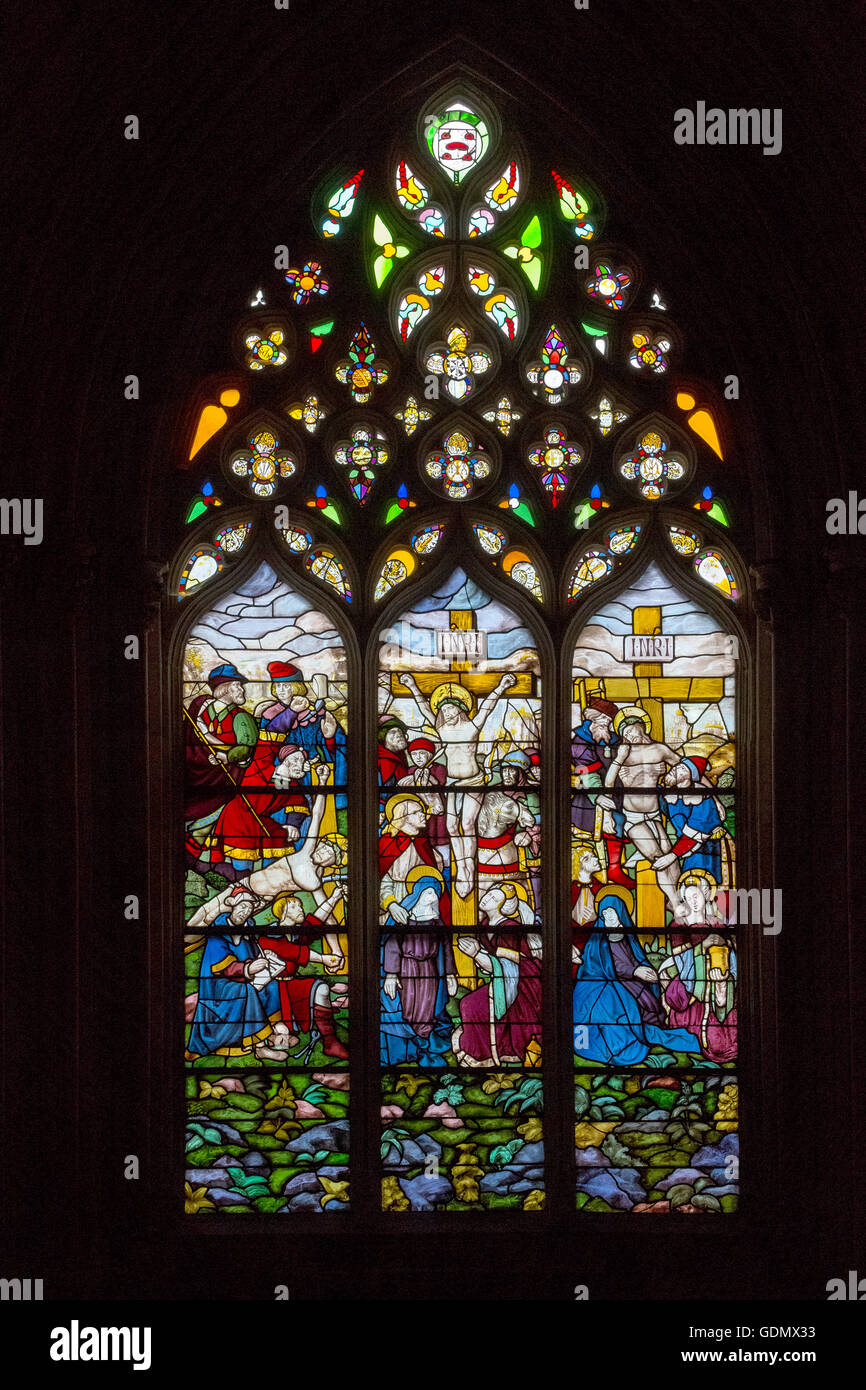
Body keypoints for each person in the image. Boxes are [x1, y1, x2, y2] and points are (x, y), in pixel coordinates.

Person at [398, 673, 517, 897]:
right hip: (452, 782)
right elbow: (424, 707)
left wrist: (502, 686)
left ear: (460, 708)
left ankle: (468, 871)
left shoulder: (472, 726)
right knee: (452, 827)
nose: (447, 713)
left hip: (473, 781)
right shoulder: (442, 730)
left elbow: (487, 708)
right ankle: (461, 867)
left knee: (468, 825)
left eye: (451, 709)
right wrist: (412, 685)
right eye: (443, 711)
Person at [572, 888, 703, 1064]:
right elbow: (597, 966)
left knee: (645, 1003)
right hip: (600, 987)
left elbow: (636, 958)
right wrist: (634, 971)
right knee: (613, 999)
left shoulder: (627, 936)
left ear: (621, 913)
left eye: (612, 912)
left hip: (629, 983)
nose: (609, 917)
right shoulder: (598, 940)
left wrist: (644, 970)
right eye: (604, 913)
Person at [186, 887, 290, 1060]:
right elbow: (223, 967)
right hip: (217, 987)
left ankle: (271, 1033)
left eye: (249, 909)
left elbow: (252, 955)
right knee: (246, 991)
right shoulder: (217, 932)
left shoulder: (248, 930)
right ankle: (259, 1046)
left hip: (242, 979)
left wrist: (265, 957)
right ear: (232, 906)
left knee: (272, 986)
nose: (245, 912)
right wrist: (248, 969)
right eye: (242, 907)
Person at [599, 708, 684, 911]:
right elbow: (608, 783)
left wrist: (670, 777)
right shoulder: (624, 753)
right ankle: (675, 902)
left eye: (631, 730)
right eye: (625, 734)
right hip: (633, 816)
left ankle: (676, 898)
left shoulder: (660, 750)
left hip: (655, 814)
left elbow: (684, 766)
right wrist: (619, 759)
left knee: (670, 855)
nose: (629, 736)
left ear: (641, 725)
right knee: (657, 856)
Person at [452, 883, 542, 1067]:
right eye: (488, 894)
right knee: (469, 1003)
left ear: (503, 906)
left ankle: (485, 1054)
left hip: (523, 983)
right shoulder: (486, 925)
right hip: (504, 979)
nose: (486, 898)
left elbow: (507, 965)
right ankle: (480, 1050)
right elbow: (495, 963)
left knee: (470, 1005)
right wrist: (477, 954)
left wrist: (476, 954)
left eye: (494, 898)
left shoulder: (509, 927)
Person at [258, 886, 348, 1060]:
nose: (301, 909)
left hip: (291, 984)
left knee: (321, 989)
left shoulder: (295, 934)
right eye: (294, 906)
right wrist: (323, 959)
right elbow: (290, 951)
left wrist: (335, 897)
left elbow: (315, 922)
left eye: (300, 905)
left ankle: (330, 1042)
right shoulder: (269, 934)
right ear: (282, 910)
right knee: (280, 1029)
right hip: (271, 989)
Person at [380, 870, 457, 1066]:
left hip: (430, 971)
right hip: (407, 970)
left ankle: (423, 1039)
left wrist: (449, 975)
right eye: (429, 892)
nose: (433, 897)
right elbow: (391, 945)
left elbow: (445, 948)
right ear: (418, 893)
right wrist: (390, 974)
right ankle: (409, 1043)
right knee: (408, 1005)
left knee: (427, 1006)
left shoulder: (436, 921)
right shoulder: (403, 919)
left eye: (435, 894)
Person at [185, 664, 259, 854]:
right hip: (197, 775)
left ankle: (194, 848)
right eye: (237, 685)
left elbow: (246, 748)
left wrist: (227, 756)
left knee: (211, 817)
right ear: (225, 687)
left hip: (228, 776)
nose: (242, 690)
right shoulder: (199, 714)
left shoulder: (242, 718)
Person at [659, 934, 737, 1064]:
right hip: (691, 1014)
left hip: (719, 1014)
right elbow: (676, 997)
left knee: (720, 1042)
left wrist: (721, 983)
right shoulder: (682, 971)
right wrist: (699, 949)